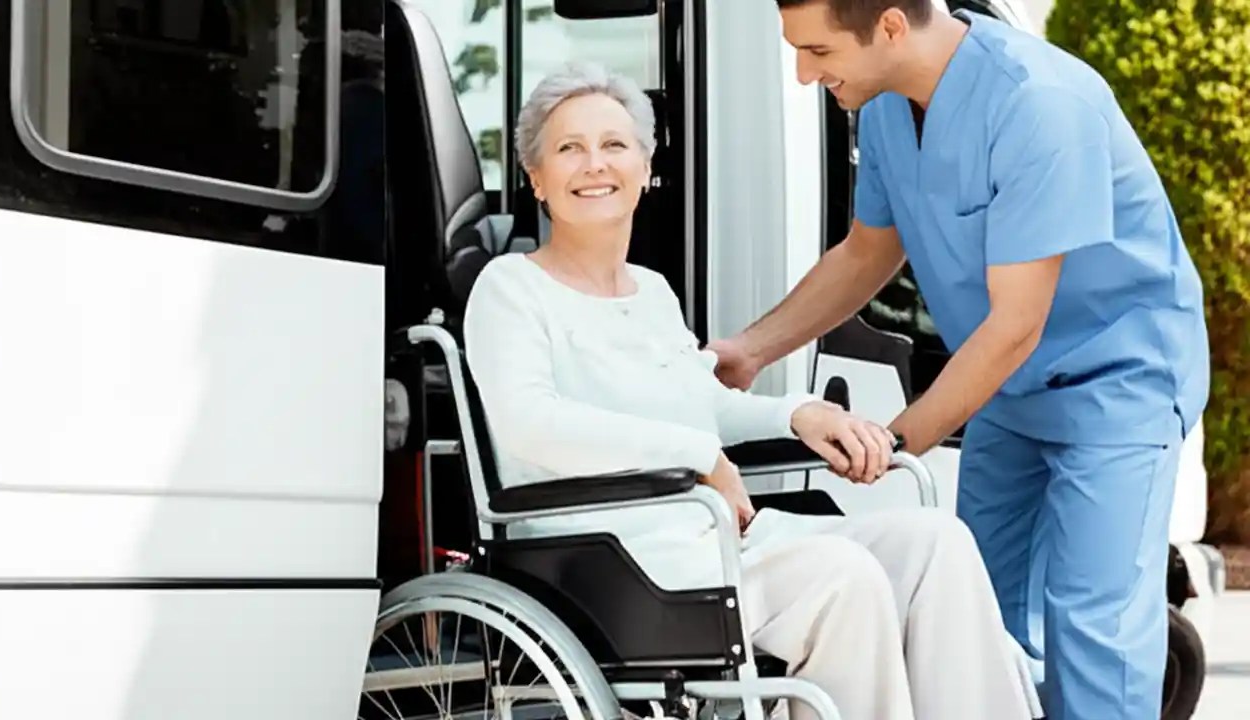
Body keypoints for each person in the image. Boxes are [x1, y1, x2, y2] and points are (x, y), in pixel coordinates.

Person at [464, 60, 1035, 720]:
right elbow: (530, 423)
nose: (595, 164)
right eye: (570, 148)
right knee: (843, 579)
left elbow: (700, 403)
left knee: (937, 541)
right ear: (535, 175)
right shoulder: (510, 288)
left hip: (711, 540)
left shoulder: (651, 291)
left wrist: (799, 413)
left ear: (646, 167)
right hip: (611, 557)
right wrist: (698, 459)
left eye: (614, 145)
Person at [707, 3, 1211, 719]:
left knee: (1092, 628)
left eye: (816, 50)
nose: (802, 73)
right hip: (1008, 392)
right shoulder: (884, 108)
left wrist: (894, 439)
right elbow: (869, 251)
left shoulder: (1039, 105)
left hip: (1117, 382)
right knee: (971, 611)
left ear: (887, 26)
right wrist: (750, 351)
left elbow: (1014, 326)